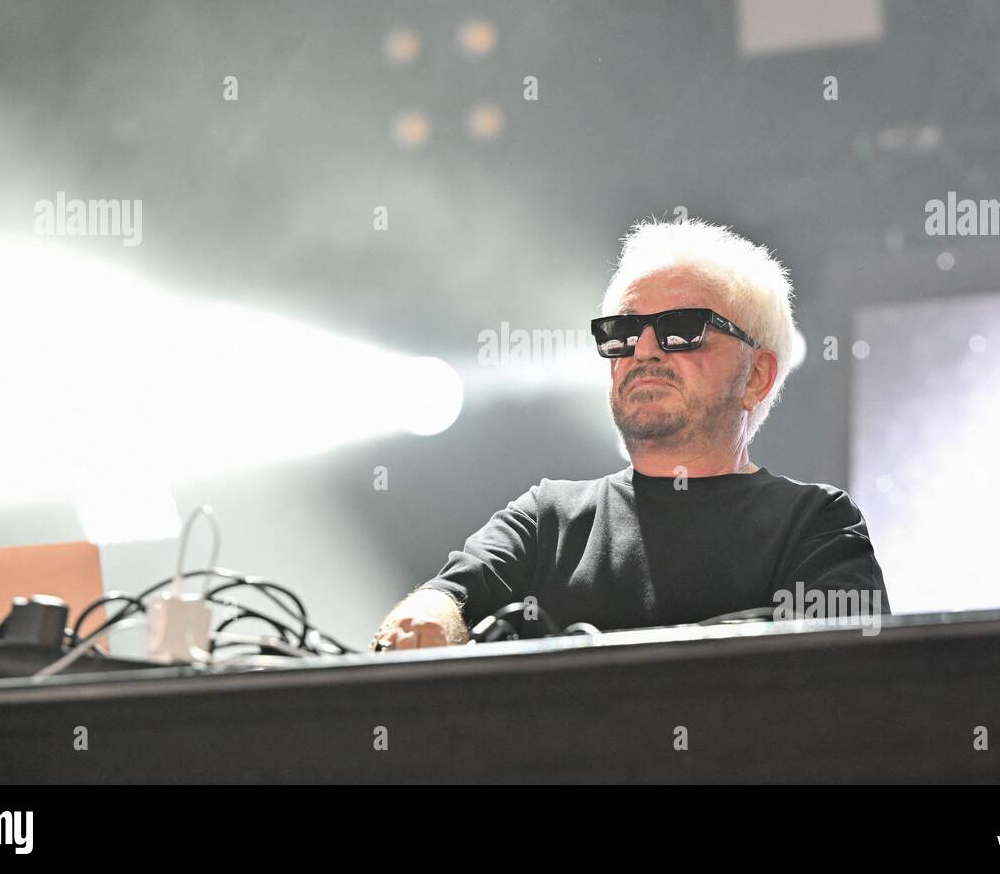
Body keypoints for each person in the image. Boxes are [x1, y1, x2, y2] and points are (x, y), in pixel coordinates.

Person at [373, 217, 889, 650]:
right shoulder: (546, 519)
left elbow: (849, 698)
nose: (644, 351)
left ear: (757, 375)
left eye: (681, 329)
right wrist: (420, 623)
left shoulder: (816, 525)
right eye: (623, 333)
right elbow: (451, 596)